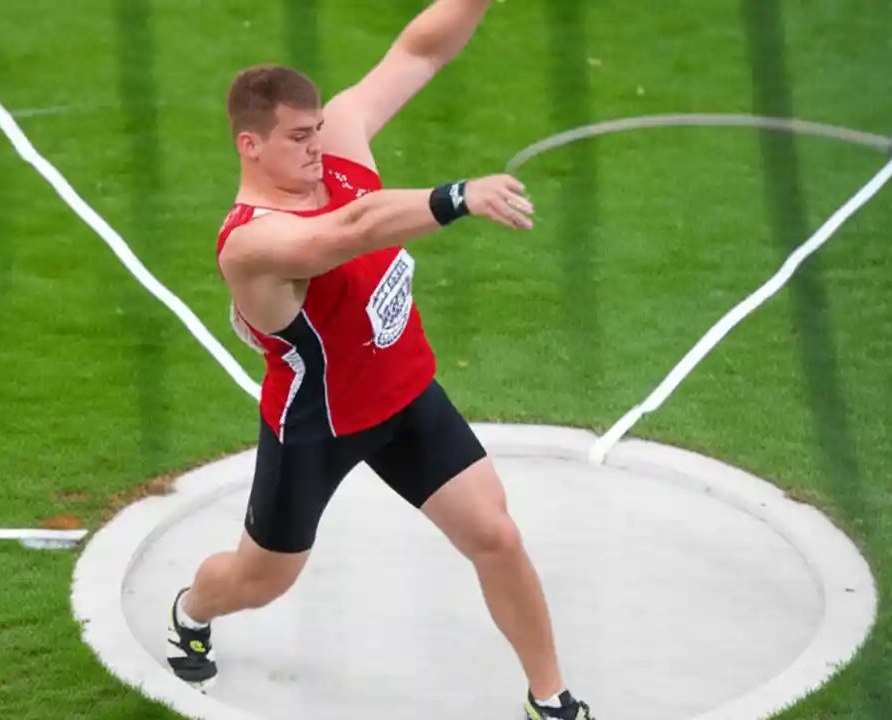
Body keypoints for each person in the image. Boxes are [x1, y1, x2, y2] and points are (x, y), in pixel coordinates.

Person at [167, 2, 595, 718]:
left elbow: (421, 50)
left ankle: (552, 699)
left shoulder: (335, 141)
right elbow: (351, 230)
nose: (316, 146)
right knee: (261, 580)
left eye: (316, 131)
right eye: (297, 138)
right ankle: (191, 608)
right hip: (317, 427)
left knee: (496, 533)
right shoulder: (251, 243)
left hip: (403, 399)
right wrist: (460, 196)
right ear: (250, 144)